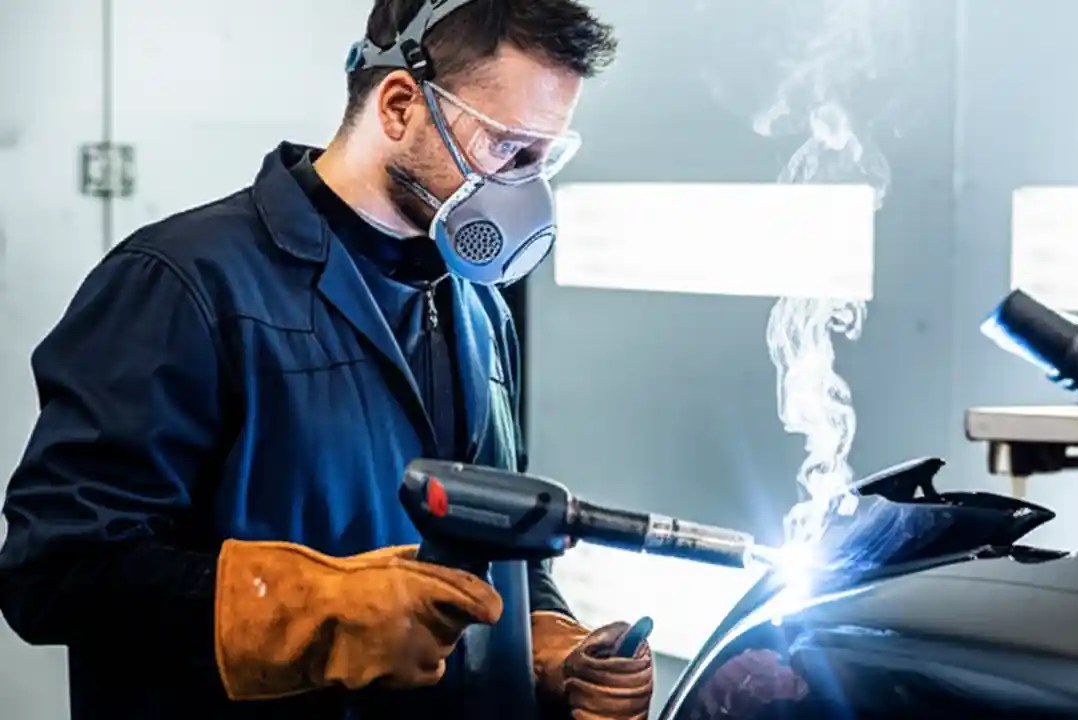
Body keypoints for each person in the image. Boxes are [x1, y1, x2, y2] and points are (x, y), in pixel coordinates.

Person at [0, 1, 653, 718]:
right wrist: (322, 611)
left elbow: (497, 540)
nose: (528, 190)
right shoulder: (186, 284)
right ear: (399, 106)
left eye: (545, 160)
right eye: (509, 150)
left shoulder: (480, 310)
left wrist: (548, 642)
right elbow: (58, 571)